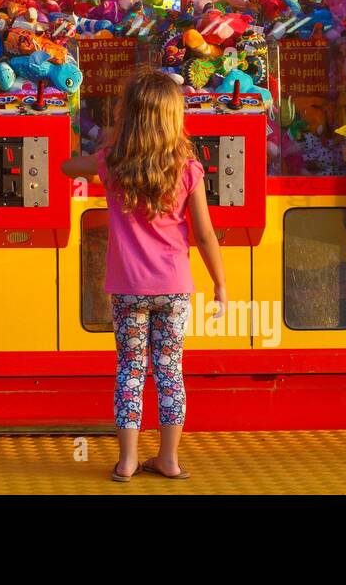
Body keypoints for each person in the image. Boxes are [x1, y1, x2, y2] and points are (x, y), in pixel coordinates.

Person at [62, 68, 226, 482]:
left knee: (130, 371)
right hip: (173, 288)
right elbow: (205, 234)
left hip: (127, 288)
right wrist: (220, 283)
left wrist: (107, 144)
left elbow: (66, 166)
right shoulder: (188, 170)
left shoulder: (111, 163)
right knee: (170, 370)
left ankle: (128, 461)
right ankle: (168, 459)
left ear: (129, 116)